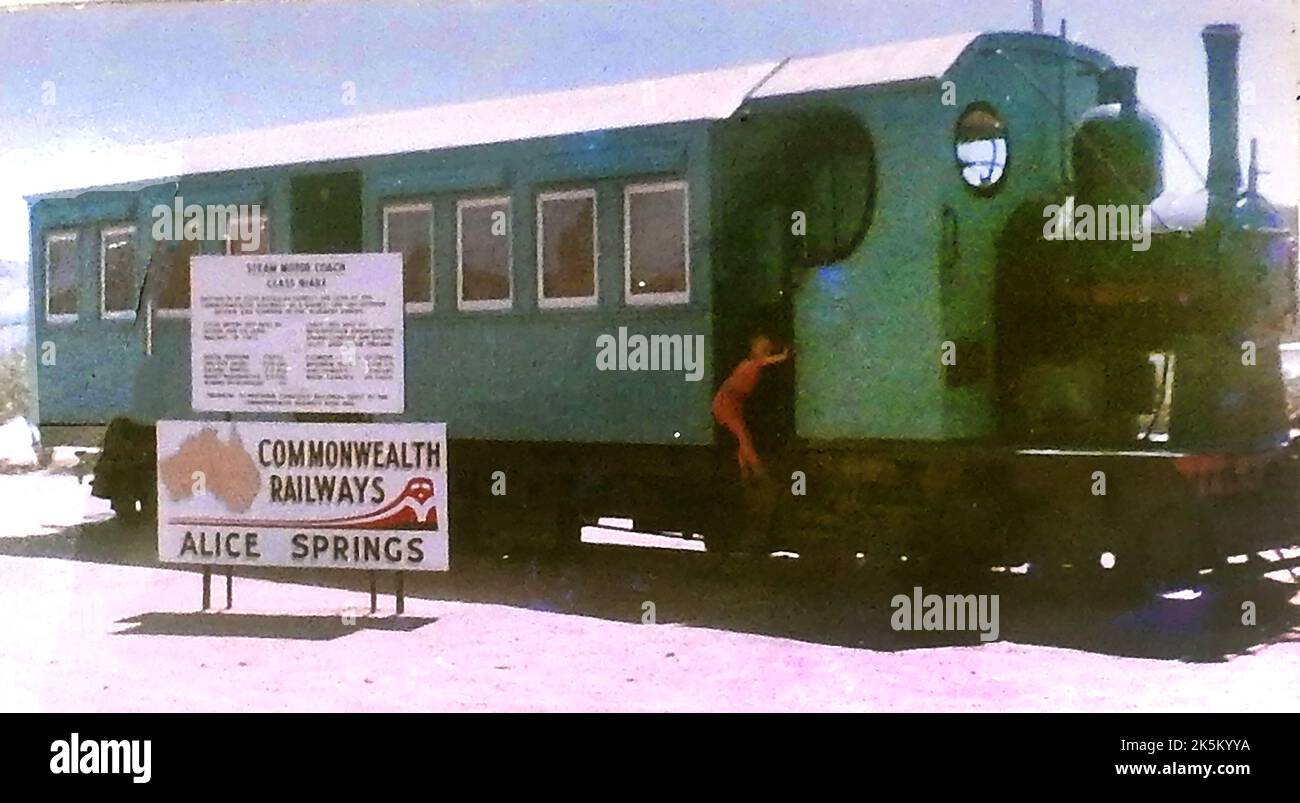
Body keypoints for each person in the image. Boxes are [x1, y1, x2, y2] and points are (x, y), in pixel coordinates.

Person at [711, 334, 791, 478]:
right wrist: (783, 355)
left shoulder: (749, 364)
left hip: (735, 402)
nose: (766, 350)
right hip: (726, 402)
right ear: (754, 349)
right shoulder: (751, 363)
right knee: (743, 435)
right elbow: (766, 361)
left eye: (767, 347)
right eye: (762, 347)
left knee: (744, 436)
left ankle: (745, 471)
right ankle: (758, 470)